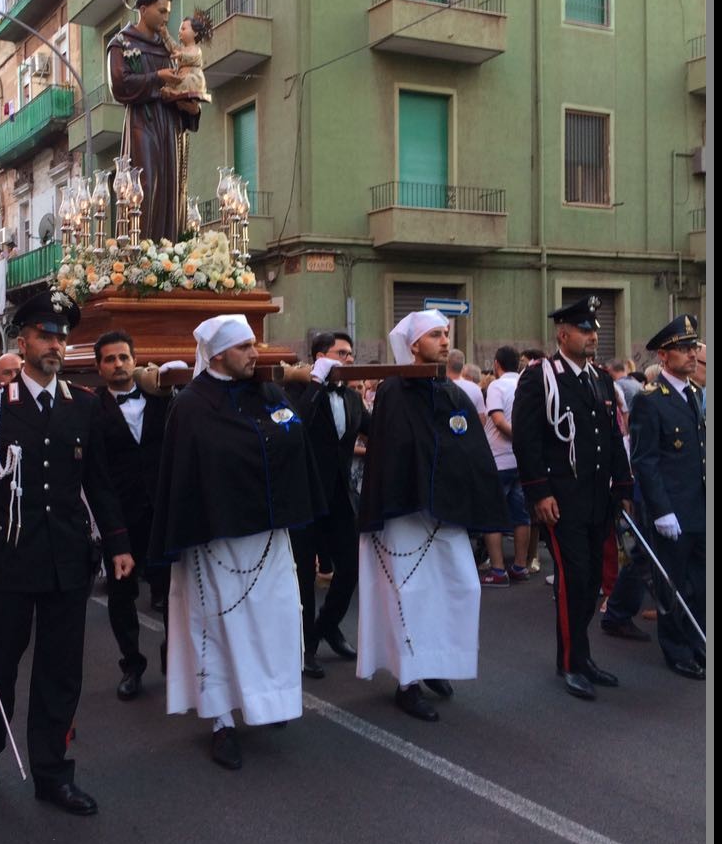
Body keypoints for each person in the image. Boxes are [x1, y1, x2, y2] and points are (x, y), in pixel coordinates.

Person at [0, 291, 132, 814]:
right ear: (23, 342)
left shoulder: (85, 405)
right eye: (45, 336)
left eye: (61, 337)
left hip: (66, 560)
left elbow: (99, 482)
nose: (55, 345)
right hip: (8, 559)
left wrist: (117, 542)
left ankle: (53, 772)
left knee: (61, 670)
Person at [150, 314, 325, 770]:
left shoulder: (268, 392)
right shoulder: (191, 405)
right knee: (219, 628)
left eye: (254, 344)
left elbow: (293, 438)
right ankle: (222, 721)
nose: (254, 353)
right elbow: (185, 476)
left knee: (276, 620)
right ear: (218, 354)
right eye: (245, 346)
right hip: (217, 538)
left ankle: (269, 700)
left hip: (269, 535)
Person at [356, 311, 508, 722]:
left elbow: (470, 449)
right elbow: (393, 453)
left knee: (460, 588)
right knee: (412, 597)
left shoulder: (454, 393)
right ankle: (407, 681)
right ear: (413, 345)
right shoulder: (393, 391)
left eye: (446, 334)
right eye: (435, 334)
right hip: (406, 514)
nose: (444, 341)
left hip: (447, 513)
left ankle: (435, 663)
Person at [512, 296, 633, 700]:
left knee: (593, 580)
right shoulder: (541, 377)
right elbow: (527, 439)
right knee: (574, 580)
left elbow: (612, 436)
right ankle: (570, 662)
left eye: (594, 330)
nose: (593, 336)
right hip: (562, 500)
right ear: (563, 335)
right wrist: (539, 491)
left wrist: (624, 485)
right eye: (584, 330)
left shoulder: (601, 378)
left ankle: (582, 655)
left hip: (597, 497)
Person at [286, 330, 370, 678]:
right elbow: (295, 427)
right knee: (304, 575)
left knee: (351, 566)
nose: (348, 359)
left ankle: (327, 625)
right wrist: (316, 385)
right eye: (341, 353)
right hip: (305, 497)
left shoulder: (351, 397)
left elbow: (375, 429)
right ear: (321, 357)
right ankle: (305, 647)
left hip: (339, 498)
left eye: (350, 354)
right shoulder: (296, 392)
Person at [94, 331, 172, 699]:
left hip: (163, 514)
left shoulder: (163, 400)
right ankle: (131, 664)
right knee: (122, 596)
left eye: (123, 357)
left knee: (174, 592)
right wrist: (110, 530)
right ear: (99, 367)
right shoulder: (91, 410)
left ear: (135, 360)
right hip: (121, 519)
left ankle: (175, 656)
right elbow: (96, 476)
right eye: (110, 359)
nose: (118, 364)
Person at [628, 315, 706, 680]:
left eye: (693, 347)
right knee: (672, 585)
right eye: (684, 348)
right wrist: (661, 511)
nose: (691, 354)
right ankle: (677, 650)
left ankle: (698, 640)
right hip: (672, 512)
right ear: (663, 355)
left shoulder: (694, 394)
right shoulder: (650, 400)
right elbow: (645, 460)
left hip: (699, 507)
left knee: (701, 585)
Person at [107, 0, 202, 242]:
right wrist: (157, 77)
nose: (166, 18)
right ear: (143, 10)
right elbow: (119, 84)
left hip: (171, 127)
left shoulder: (170, 49)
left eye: (168, 12)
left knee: (171, 189)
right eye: (161, 11)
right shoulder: (121, 43)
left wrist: (192, 107)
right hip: (143, 122)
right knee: (145, 184)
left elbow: (185, 82)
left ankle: (169, 251)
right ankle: (139, 251)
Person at [481, 345, 532, 586]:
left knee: (492, 514)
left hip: (499, 460)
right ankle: (520, 566)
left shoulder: (496, 386)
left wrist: (519, 438)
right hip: (522, 461)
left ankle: (498, 570)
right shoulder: (524, 384)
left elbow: (499, 421)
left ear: (496, 364)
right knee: (522, 516)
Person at [159, 9, 213, 102]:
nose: (180, 32)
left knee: (188, 79)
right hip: (181, 76)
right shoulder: (181, 49)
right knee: (172, 80)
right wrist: (166, 35)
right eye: (180, 30)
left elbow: (192, 56)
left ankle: (176, 92)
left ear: (195, 33)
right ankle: (171, 91)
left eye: (183, 29)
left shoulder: (196, 49)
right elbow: (173, 47)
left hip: (193, 77)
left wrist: (181, 55)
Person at [447, 349, 487, 425]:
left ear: (447, 364)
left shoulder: (438, 387)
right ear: (463, 366)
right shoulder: (475, 389)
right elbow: (482, 420)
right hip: (469, 431)